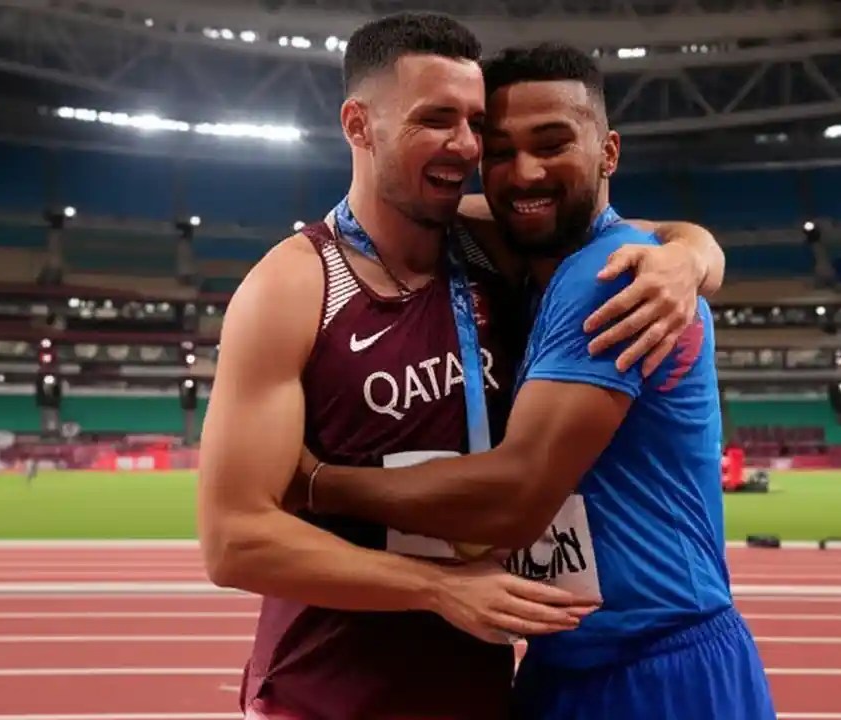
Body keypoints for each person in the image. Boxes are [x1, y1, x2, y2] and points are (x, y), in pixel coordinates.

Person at [196, 13, 728, 720]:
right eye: (435, 119)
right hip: (332, 689)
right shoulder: (293, 287)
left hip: (479, 680)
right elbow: (234, 541)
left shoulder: (488, 246)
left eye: (475, 122)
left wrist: (690, 255)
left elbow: (614, 225)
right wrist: (434, 586)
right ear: (359, 125)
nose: (466, 146)